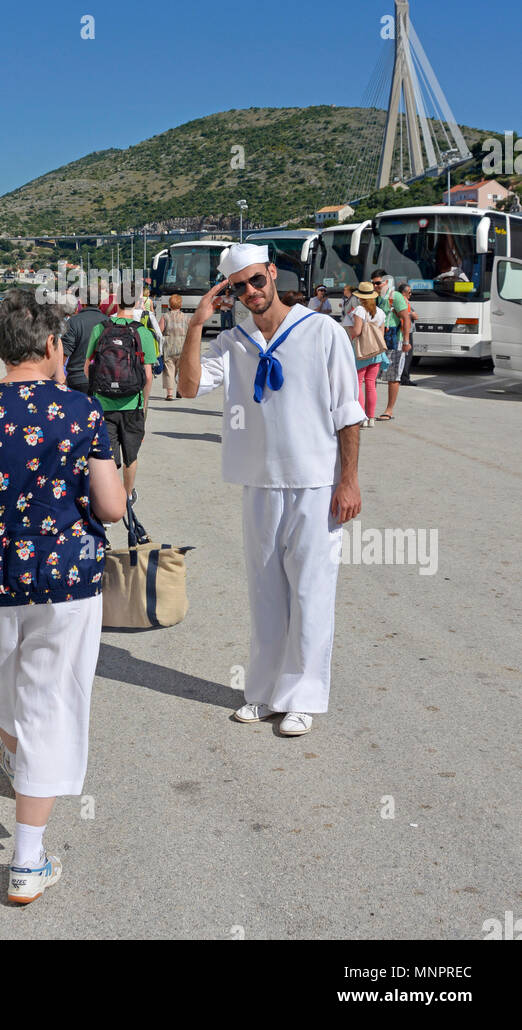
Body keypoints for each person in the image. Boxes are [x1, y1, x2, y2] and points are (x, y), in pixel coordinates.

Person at [0, 291, 126, 904]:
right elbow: (111, 507)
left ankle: (14, 755)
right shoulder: (83, 413)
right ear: (54, 346)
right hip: (64, 583)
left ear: (2, 346)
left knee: (7, 691)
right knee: (49, 705)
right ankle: (27, 863)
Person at [178, 243, 362, 737]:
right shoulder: (233, 340)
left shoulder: (321, 330)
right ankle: (263, 692)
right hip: (259, 483)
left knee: (311, 590)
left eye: (256, 280)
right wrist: (197, 323)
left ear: (272, 273)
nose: (251, 292)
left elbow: (348, 411)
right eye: (238, 287)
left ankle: (302, 696)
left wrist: (348, 480)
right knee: (265, 593)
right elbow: (190, 386)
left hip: (315, 482)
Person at [83, 289, 156, 506]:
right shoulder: (143, 332)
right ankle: (127, 495)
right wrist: (145, 404)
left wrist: (97, 389)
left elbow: (88, 366)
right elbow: (148, 376)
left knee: (108, 455)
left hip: (104, 402)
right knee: (130, 455)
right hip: (133, 403)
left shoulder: (101, 328)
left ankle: (108, 496)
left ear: (116, 302)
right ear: (136, 303)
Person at [370, 270, 411, 421]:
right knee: (371, 375)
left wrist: (406, 341)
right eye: (373, 283)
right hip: (376, 339)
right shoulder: (374, 297)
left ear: (386, 282)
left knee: (393, 376)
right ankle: (370, 410)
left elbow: (406, 319)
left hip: (394, 340)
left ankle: (389, 410)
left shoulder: (396, 297)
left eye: (378, 283)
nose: (375, 285)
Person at [346, 281, 386, 427]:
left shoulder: (359, 311)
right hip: (376, 352)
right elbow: (381, 333)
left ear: (360, 297)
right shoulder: (380, 312)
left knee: (358, 383)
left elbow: (356, 331)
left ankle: (361, 416)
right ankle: (371, 417)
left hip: (361, 351)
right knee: (370, 384)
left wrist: (348, 333)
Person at [60, 293, 106, 394]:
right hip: (101, 378)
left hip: (77, 378)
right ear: (100, 303)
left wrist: (60, 378)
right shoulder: (108, 322)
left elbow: (64, 353)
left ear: (83, 303)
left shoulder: (73, 322)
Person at [159, 293, 188, 399]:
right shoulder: (186, 317)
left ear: (170, 305)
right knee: (181, 370)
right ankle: (180, 390)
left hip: (169, 346)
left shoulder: (165, 317)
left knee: (169, 369)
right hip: (182, 346)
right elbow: (190, 332)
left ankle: (169, 393)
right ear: (180, 305)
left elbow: (159, 331)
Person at [399, 283, 417, 384]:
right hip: (406, 331)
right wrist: (411, 314)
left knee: (406, 355)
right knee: (407, 355)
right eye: (409, 292)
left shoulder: (406, 302)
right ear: (404, 293)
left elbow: (415, 315)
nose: (411, 294)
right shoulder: (403, 302)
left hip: (407, 330)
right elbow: (414, 315)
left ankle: (404, 377)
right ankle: (404, 378)